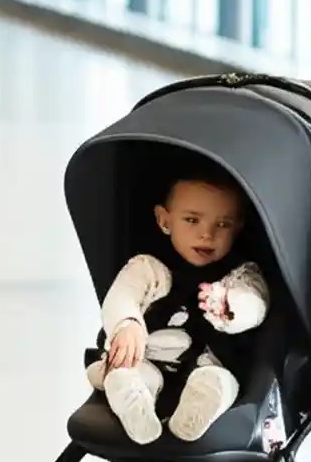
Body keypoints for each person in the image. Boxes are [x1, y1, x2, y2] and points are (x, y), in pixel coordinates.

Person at [86, 165, 271, 446]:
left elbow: (256, 303)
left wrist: (231, 308)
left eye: (223, 224)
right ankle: (135, 405)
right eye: (192, 220)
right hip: (148, 359)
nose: (207, 234)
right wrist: (128, 324)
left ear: (239, 227)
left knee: (221, 382)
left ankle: (194, 414)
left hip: (208, 364)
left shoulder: (240, 276)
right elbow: (122, 296)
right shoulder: (148, 267)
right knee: (129, 373)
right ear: (165, 220)